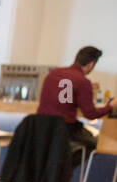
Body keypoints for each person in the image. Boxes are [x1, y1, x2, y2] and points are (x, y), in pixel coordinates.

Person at [37, 45, 115, 173]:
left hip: (40, 127)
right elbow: (90, 114)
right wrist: (110, 106)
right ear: (91, 64)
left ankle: (55, 172)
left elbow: (63, 100)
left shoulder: (53, 73)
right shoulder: (82, 81)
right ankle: (61, 173)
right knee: (96, 143)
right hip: (65, 129)